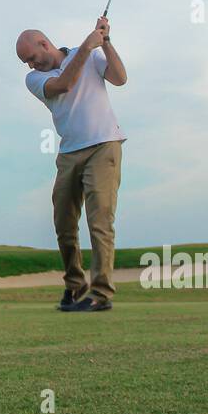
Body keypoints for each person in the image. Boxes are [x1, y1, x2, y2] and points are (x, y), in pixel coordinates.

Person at [16, 18, 127, 312]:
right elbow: (64, 84)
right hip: (69, 153)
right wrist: (87, 48)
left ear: (44, 44)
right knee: (64, 223)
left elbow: (119, 78)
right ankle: (76, 284)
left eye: (31, 58)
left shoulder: (89, 53)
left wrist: (104, 42)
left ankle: (101, 293)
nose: (30, 65)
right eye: (25, 62)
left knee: (100, 219)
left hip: (104, 145)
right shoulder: (35, 80)